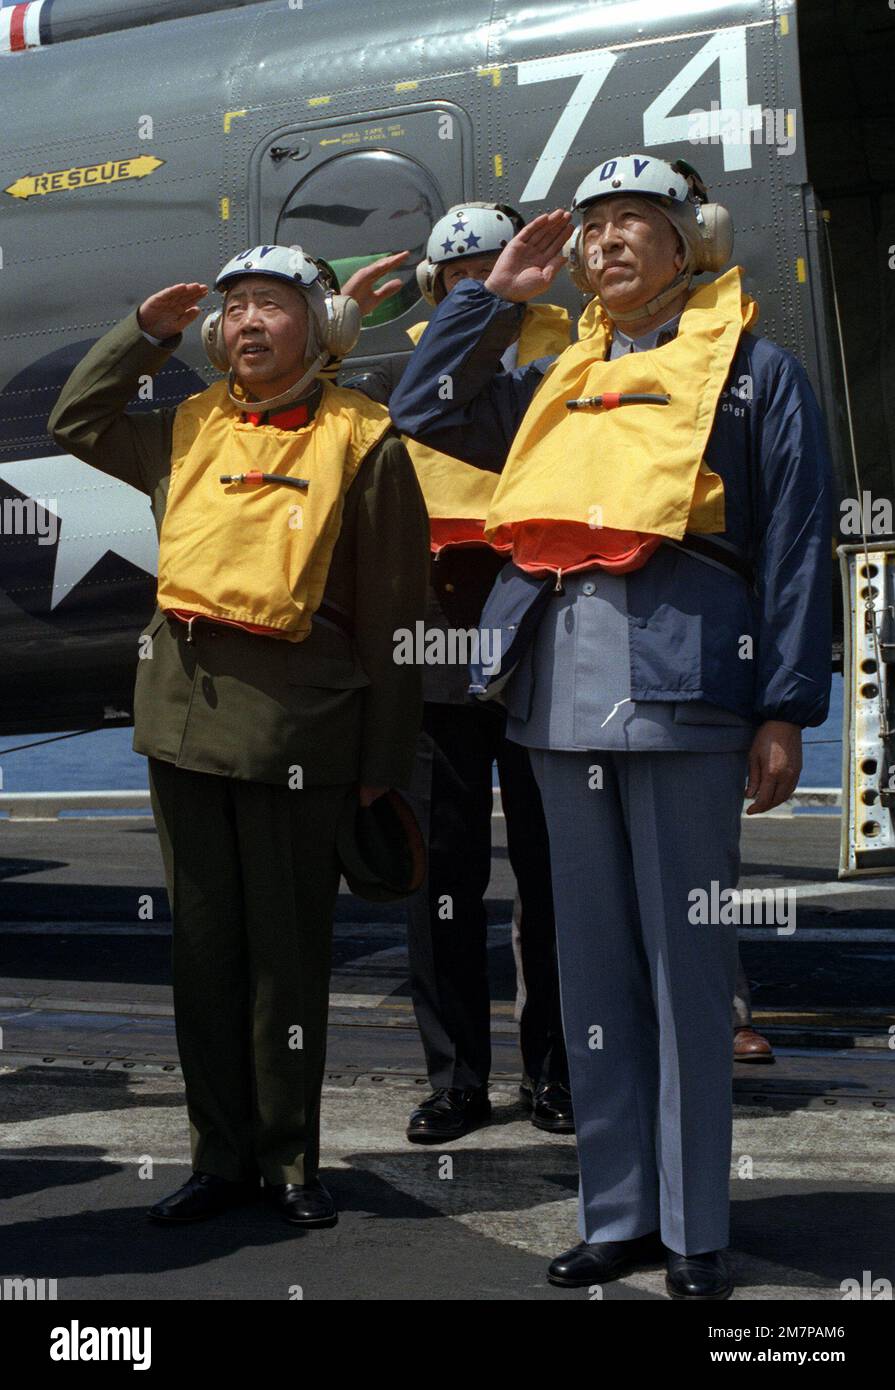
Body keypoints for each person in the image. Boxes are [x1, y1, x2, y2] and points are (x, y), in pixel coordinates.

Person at [389, 154, 832, 1298]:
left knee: (686, 973)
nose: (612, 242)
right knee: (587, 978)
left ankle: (692, 1229)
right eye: (596, 227)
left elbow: (791, 547)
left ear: (692, 245)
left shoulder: (752, 375)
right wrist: (494, 295)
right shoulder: (551, 373)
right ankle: (618, 1211)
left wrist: (785, 706)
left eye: (641, 222)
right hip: (556, 706)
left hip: (688, 695)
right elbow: (421, 410)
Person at [49, 245, 429, 1229]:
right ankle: (218, 1156)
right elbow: (74, 418)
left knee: (287, 963)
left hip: (300, 736)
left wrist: (382, 770)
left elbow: (394, 618)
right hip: (180, 727)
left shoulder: (369, 445)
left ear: (324, 328)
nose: (248, 323)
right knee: (203, 956)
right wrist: (143, 333)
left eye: (273, 305)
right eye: (236, 308)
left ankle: (290, 1161)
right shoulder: (185, 427)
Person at [344, 206, 573, 1140]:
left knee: (553, 874)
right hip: (433, 643)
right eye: (461, 272)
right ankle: (456, 1081)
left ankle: (556, 1072)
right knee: (441, 877)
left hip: (539, 636)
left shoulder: (570, 348)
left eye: (498, 262)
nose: (481, 278)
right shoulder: (406, 360)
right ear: (437, 286)